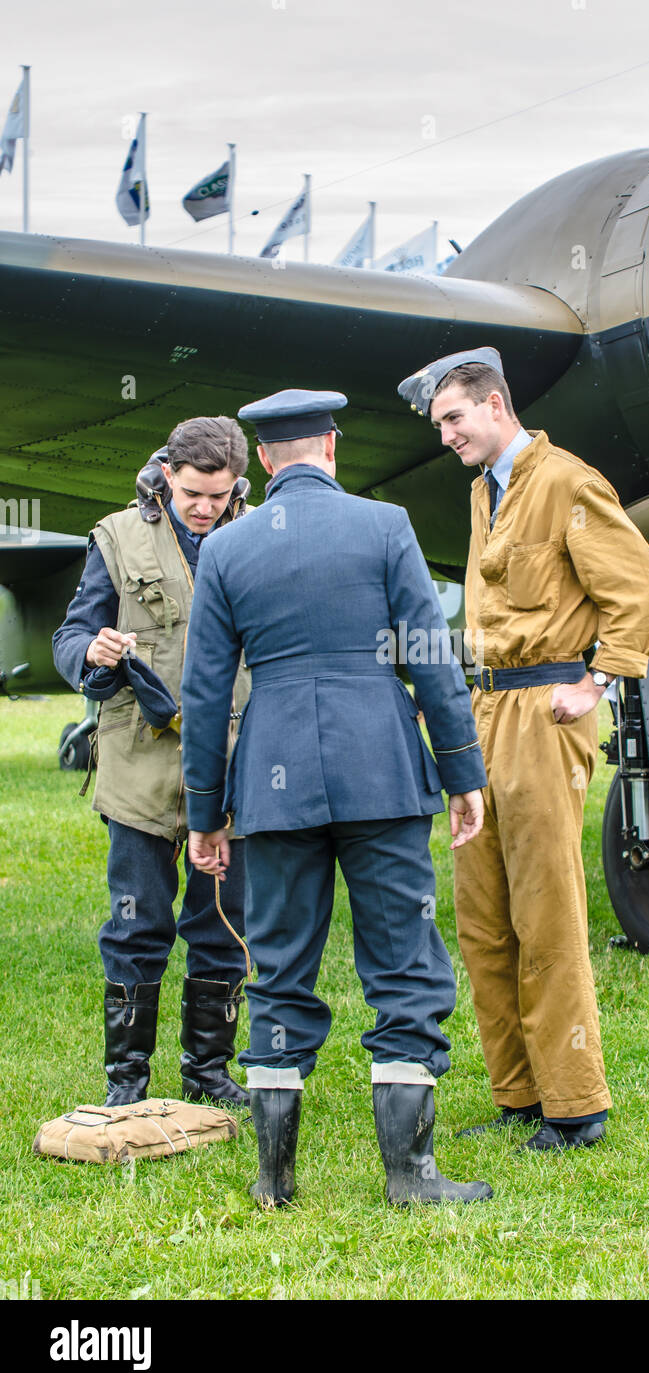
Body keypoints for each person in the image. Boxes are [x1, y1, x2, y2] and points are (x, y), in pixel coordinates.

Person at [180, 388, 493, 1208]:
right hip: (381, 771)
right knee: (403, 965)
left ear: (266, 462)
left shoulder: (225, 549)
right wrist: (463, 774)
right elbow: (430, 655)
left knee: (279, 968)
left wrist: (204, 815)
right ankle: (410, 1175)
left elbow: (206, 693)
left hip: (273, 782)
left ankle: (274, 1181)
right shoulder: (384, 526)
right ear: (330, 447)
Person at [397, 347, 649, 1151]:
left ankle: (574, 1105)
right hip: (482, 712)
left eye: (453, 417)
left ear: (494, 406)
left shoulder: (563, 481)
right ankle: (518, 1094)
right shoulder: (490, 488)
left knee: (545, 911)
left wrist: (597, 684)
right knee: (484, 916)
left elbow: (643, 591)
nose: (445, 433)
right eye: (439, 422)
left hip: (540, 716)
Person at [52, 417, 252, 1108]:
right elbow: (70, 634)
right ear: (166, 474)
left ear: (237, 487)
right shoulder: (116, 536)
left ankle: (208, 1073)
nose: (205, 507)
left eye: (219, 496)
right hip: (140, 760)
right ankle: (126, 1081)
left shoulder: (258, 536)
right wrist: (91, 653)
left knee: (224, 921)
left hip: (232, 764)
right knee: (136, 924)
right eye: (193, 492)